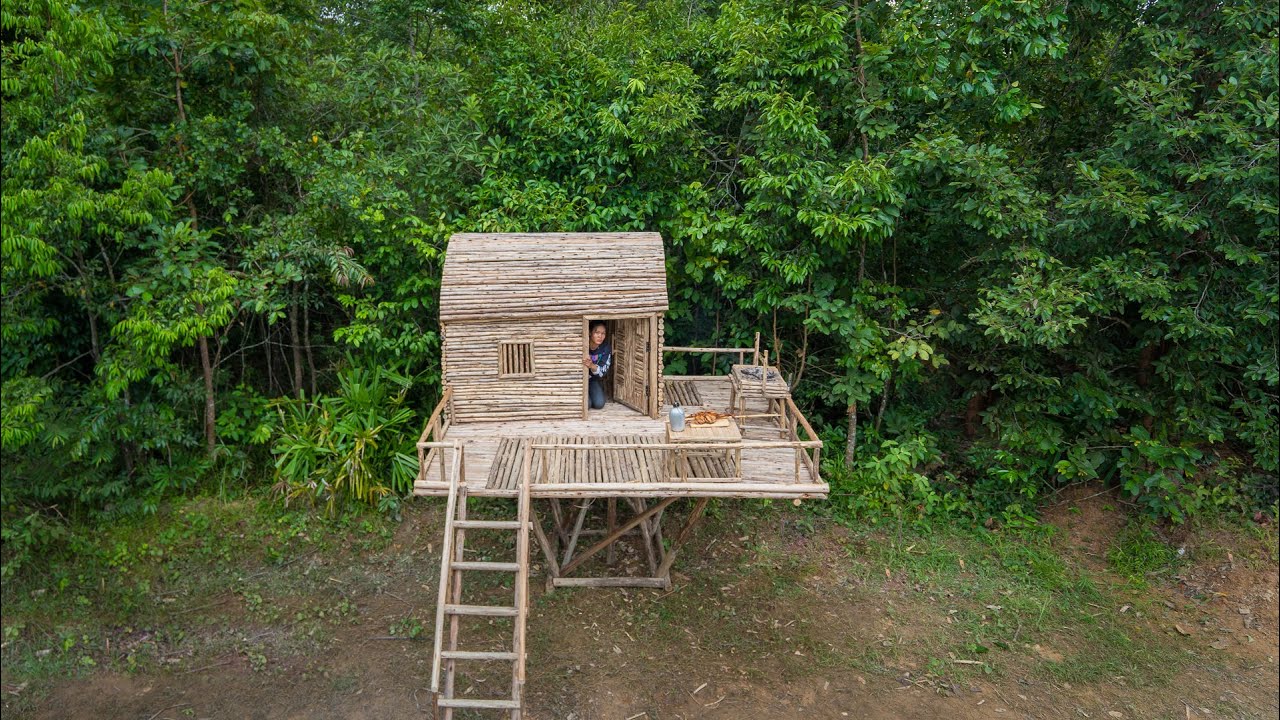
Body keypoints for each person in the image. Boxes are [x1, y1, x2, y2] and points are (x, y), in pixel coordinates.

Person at [583, 321, 611, 410]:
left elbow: (603, 371)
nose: (600, 336)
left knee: (599, 404)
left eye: (603, 333)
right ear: (590, 333)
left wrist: (591, 365)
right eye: (597, 332)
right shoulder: (582, 344)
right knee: (587, 405)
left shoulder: (605, 348)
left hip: (592, 380)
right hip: (579, 379)